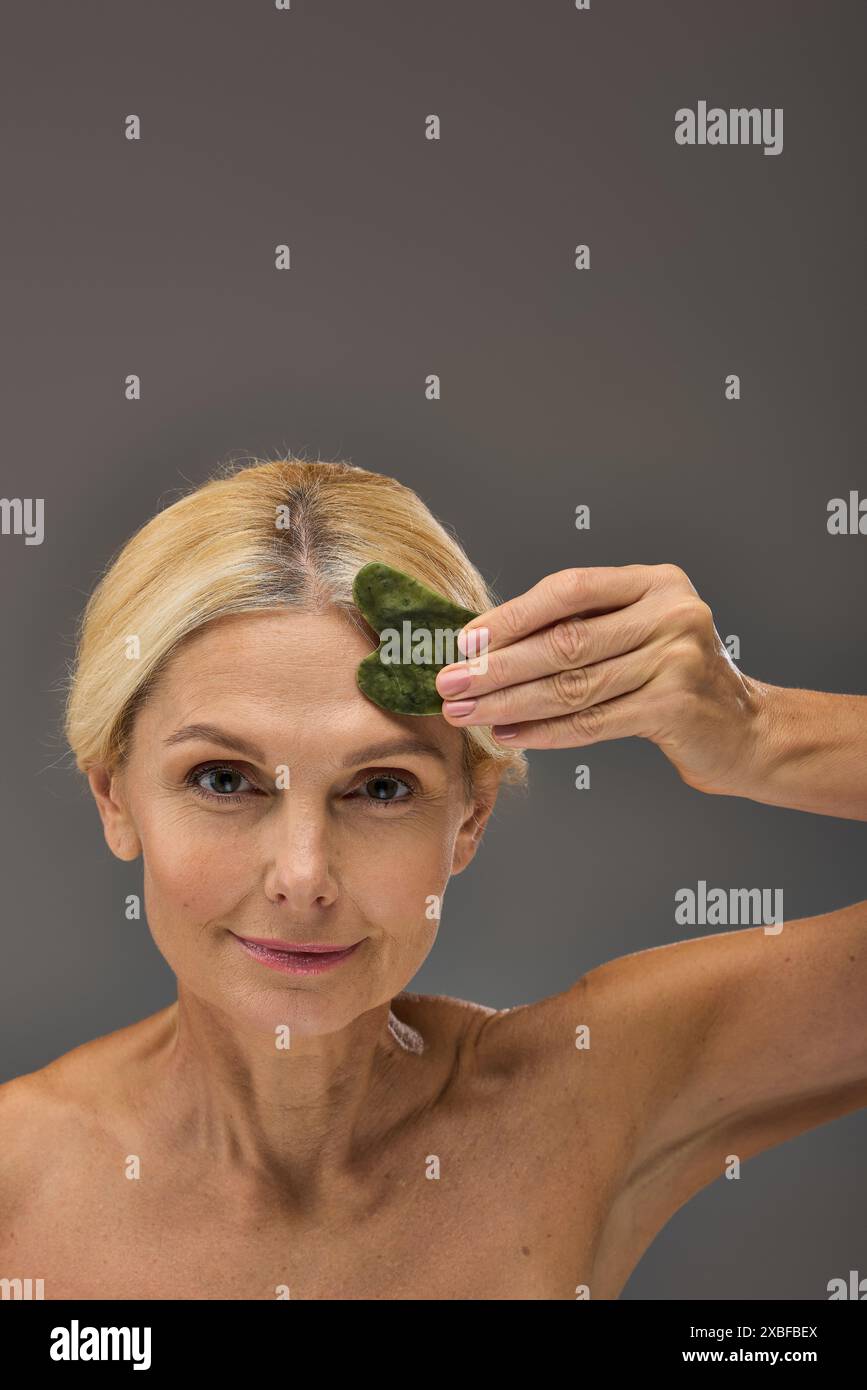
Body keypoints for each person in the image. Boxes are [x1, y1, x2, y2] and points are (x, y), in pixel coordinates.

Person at [1, 455, 864, 1300]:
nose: (303, 878)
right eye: (224, 779)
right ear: (114, 797)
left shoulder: (586, 1099)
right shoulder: (15, 1183)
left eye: (381, 787)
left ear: (470, 816)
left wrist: (761, 733)